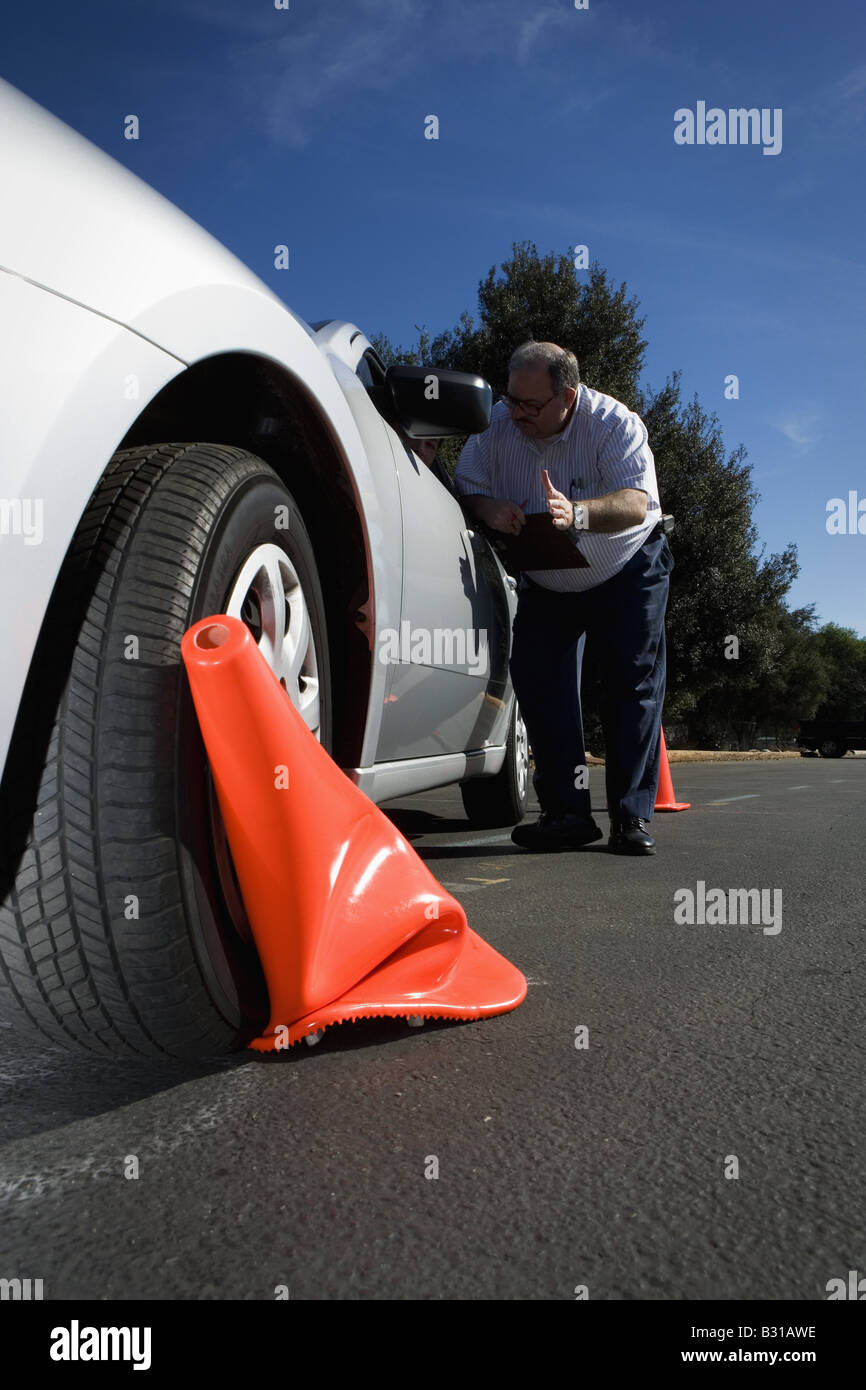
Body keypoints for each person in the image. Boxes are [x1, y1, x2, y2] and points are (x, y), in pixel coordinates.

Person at [454, 340, 673, 855]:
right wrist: (488, 508)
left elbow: (636, 502)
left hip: (627, 567)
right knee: (540, 683)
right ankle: (568, 814)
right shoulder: (496, 428)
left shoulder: (614, 423)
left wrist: (576, 513)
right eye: (512, 400)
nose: (518, 414)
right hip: (549, 578)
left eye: (532, 405)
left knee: (630, 686)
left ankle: (630, 819)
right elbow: (468, 484)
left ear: (568, 398)